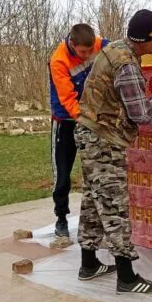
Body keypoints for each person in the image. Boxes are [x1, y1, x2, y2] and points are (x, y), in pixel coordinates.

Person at [75, 9, 152, 294]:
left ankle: (89, 264)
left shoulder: (114, 50)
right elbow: (141, 115)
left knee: (92, 200)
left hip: (90, 133)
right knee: (114, 206)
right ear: (145, 39)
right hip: (103, 141)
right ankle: (126, 277)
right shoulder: (126, 65)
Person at [49, 23, 109, 237]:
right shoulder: (58, 60)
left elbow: (117, 56)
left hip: (92, 118)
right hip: (66, 120)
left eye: (90, 51)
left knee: (97, 169)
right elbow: (67, 98)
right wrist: (84, 117)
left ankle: (100, 219)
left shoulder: (101, 45)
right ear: (72, 44)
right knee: (63, 172)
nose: (87, 56)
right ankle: (61, 218)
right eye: (83, 52)